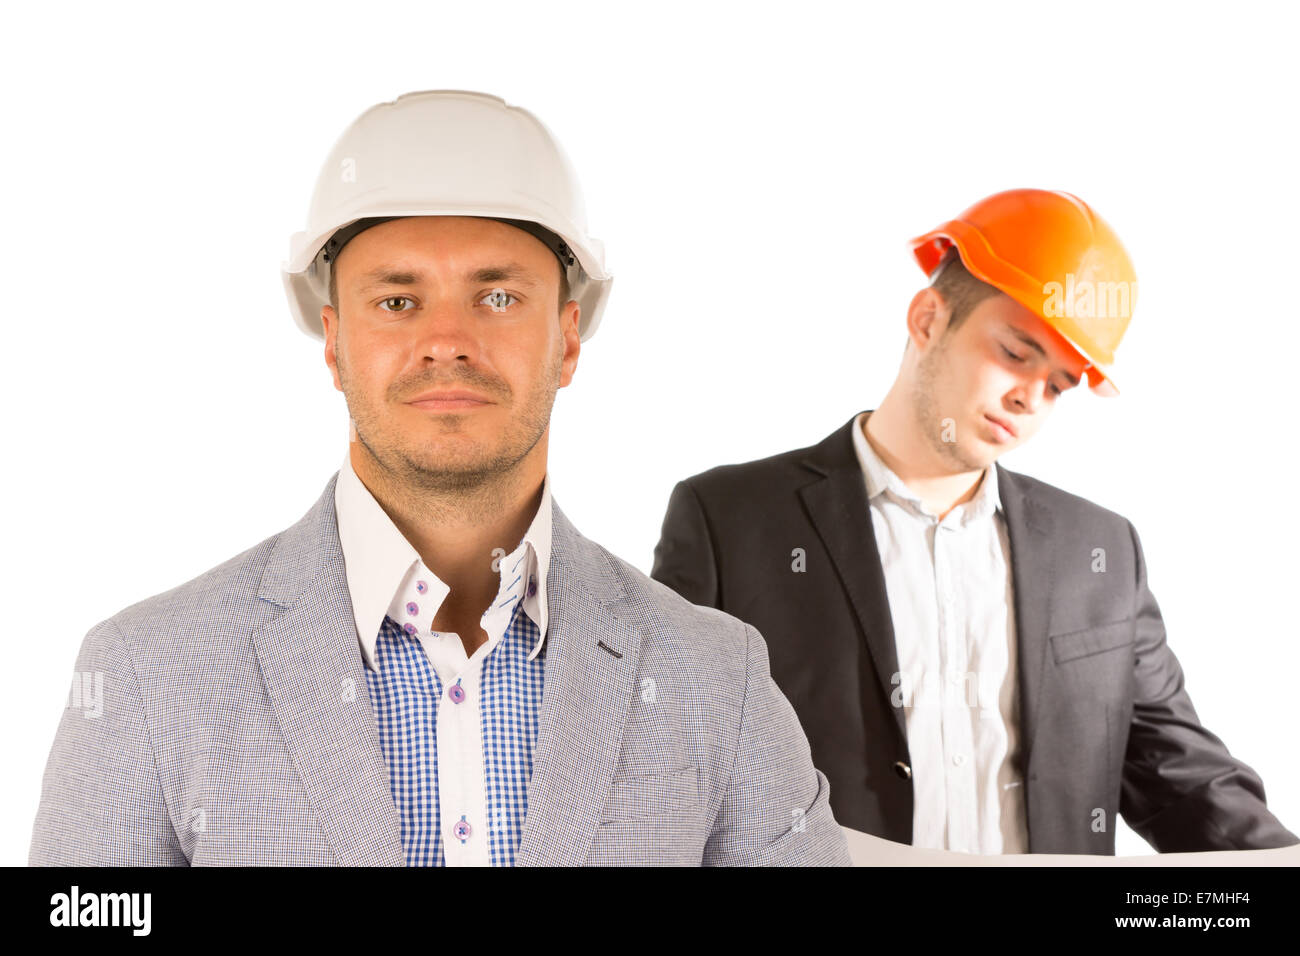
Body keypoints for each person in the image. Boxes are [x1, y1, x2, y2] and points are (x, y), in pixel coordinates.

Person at [29, 90, 851, 866]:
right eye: (396, 302)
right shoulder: (148, 672)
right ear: (333, 341)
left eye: (497, 297)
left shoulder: (717, 676)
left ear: (567, 341)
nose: (447, 340)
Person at [651, 188, 1298, 854]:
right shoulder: (731, 523)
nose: (1029, 398)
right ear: (928, 318)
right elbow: (663, 774)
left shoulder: (1097, 552)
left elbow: (1182, 783)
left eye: (1058, 384)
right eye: (1017, 354)